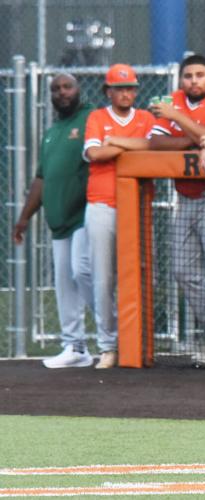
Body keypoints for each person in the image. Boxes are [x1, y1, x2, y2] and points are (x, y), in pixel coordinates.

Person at [148, 54, 205, 367]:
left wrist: (178, 118)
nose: (193, 81)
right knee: (183, 271)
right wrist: (192, 141)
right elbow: (154, 145)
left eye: (200, 75)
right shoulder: (170, 98)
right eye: (188, 76)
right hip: (184, 198)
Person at [13, 74, 95, 368]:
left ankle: (113, 337)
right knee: (64, 282)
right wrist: (23, 218)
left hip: (86, 216)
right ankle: (75, 348)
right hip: (58, 222)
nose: (62, 93)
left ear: (79, 89)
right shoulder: (52, 132)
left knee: (81, 271)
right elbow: (41, 178)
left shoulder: (91, 119)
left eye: (67, 87)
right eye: (56, 89)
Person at [82, 64, 156, 369]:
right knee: (102, 279)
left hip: (138, 207)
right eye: (119, 88)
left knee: (139, 274)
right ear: (108, 91)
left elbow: (152, 148)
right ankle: (108, 345)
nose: (125, 93)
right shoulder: (97, 117)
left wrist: (116, 143)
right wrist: (127, 147)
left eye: (130, 88)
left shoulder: (146, 118)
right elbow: (93, 153)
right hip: (102, 204)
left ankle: (137, 345)